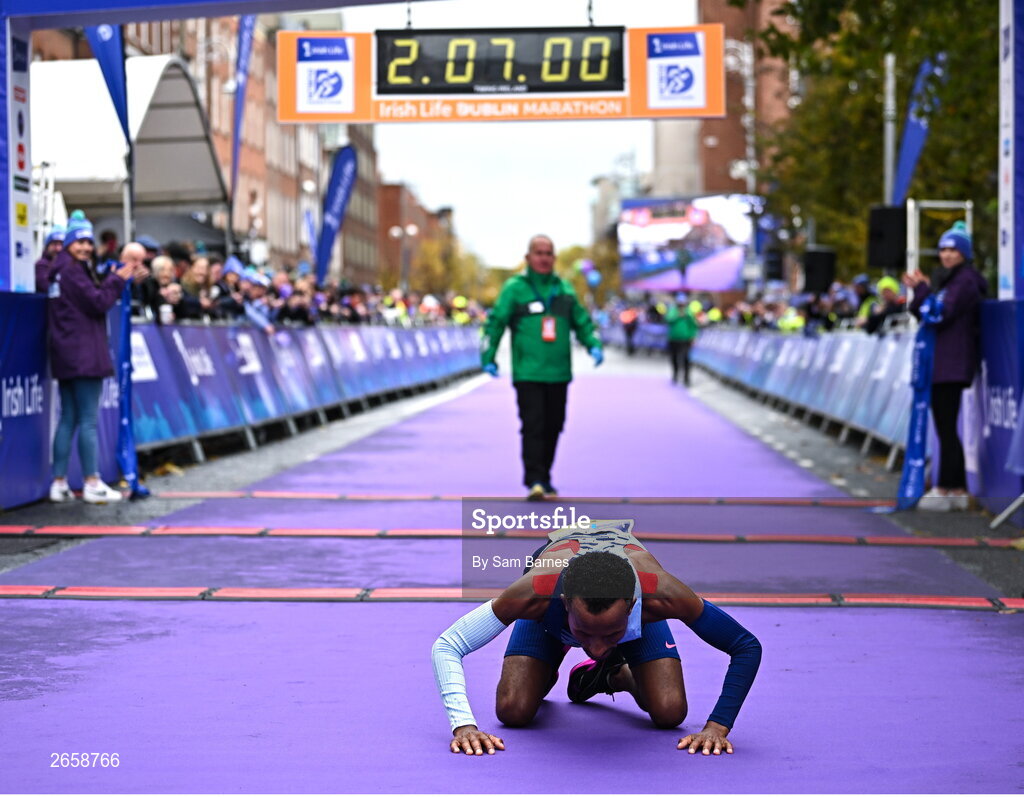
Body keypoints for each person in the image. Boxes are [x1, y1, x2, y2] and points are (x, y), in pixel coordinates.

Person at [431, 519, 762, 756]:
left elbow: (745, 646)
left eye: (612, 634)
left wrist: (717, 727)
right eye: (585, 632)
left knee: (670, 713)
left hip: (617, 613)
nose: (598, 646)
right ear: (564, 603)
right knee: (514, 711)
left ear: (634, 605)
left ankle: (612, 674)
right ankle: (553, 653)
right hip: (550, 622)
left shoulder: (662, 593)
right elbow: (448, 644)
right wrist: (464, 726)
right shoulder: (534, 594)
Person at [480, 234, 604, 500]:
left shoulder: (565, 289)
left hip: (559, 371)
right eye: (538, 252)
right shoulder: (515, 288)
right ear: (528, 258)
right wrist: (488, 356)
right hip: (528, 371)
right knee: (533, 424)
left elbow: (581, 321)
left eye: (548, 253)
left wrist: (592, 343)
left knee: (554, 425)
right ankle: (534, 479)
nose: (544, 258)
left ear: (554, 259)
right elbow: (496, 322)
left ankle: (545, 477)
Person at [46, 210, 135, 504]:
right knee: (86, 420)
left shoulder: (60, 269)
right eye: (79, 241)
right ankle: (91, 481)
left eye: (88, 241)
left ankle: (59, 483)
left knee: (68, 419)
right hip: (83, 355)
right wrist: (117, 279)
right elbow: (98, 302)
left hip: (66, 355)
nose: (85, 247)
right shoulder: (72, 270)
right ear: (69, 243)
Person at [902, 221, 987, 511]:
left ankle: (951, 487)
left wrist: (925, 289)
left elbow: (942, 314)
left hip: (952, 363)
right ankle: (953, 488)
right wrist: (919, 291)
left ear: (964, 253)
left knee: (947, 427)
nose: (947, 255)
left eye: (953, 250)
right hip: (941, 363)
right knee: (944, 427)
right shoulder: (949, 280)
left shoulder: (965, 281)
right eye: (943, 250)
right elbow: (926, 312)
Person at [664, 293, 698, 385]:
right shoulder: (673, 311)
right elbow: (668, 320)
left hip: (685, 339)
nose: (681, 304)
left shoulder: (689, 312)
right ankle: (675, 374)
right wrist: (678, 316)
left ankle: (686, 377)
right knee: (674, 357)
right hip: (673, 338)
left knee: (686, 358)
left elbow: (693, 325)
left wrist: (693, 336)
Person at [35, 225, 65, 293]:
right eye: (54, 244)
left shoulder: (68, 265)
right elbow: (46, 287)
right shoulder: (41, 265)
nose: (58, 249)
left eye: (61, 244)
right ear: (47, 246)